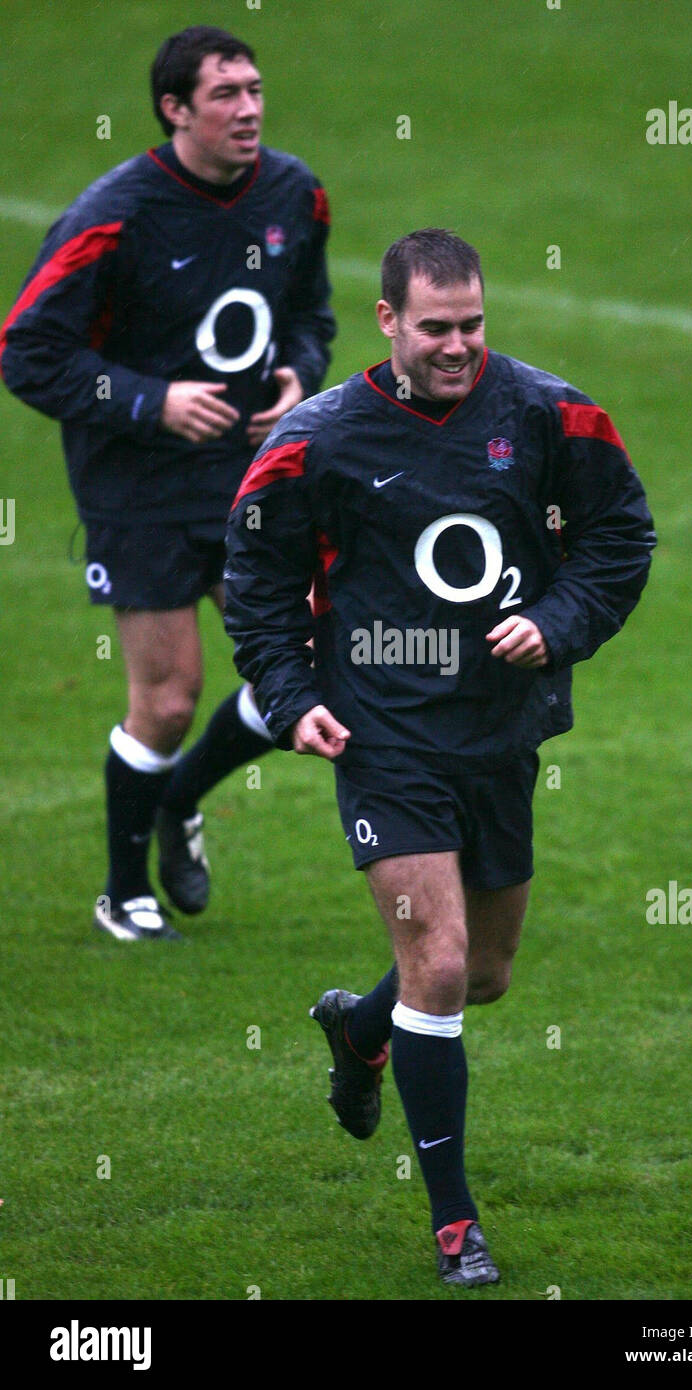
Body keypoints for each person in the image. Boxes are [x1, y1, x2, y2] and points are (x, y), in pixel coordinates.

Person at [224, 229, 655, 1286]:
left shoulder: (552, 413)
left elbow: (621, 536)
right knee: (444, 964)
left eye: (472, 324)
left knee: (488, 975)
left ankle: (363, 1030)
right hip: (386, 737)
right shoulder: (318, 438)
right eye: (436, 327)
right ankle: (455, 1221)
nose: (459, 344)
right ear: (387, 322)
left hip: (501, 732)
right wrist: (290, 698)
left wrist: (558, 621)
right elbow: (257, 572)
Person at [0, 26, 336, 941]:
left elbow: (309, 310)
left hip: (249, 475)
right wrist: (153, 402)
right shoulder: (114, 216)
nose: (249, 108)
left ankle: (180, 796)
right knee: (170, 699)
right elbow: (26, 351)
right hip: (137, 487)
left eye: (256, 89)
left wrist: (300, 373)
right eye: (224, 93)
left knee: (303, 663)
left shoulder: (294, 193)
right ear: (174, 109)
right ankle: (123, 890)